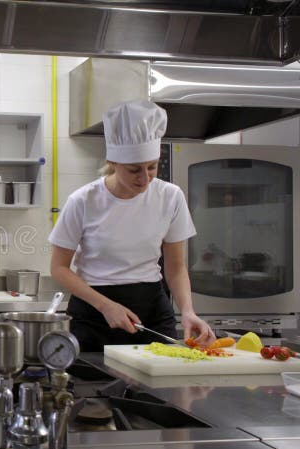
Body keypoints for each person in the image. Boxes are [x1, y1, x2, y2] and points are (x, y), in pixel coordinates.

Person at [48, 99, 215, 352]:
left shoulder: (170, 196)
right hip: (94, 315)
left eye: (152, 167)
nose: (145, 178)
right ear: (113, 163)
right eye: (134, 170)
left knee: (161, 389)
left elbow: (177, 266)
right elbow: (59, 268)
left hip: (152, 312)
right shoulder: (83, 200)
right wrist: (105, 306)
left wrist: (188, 312)